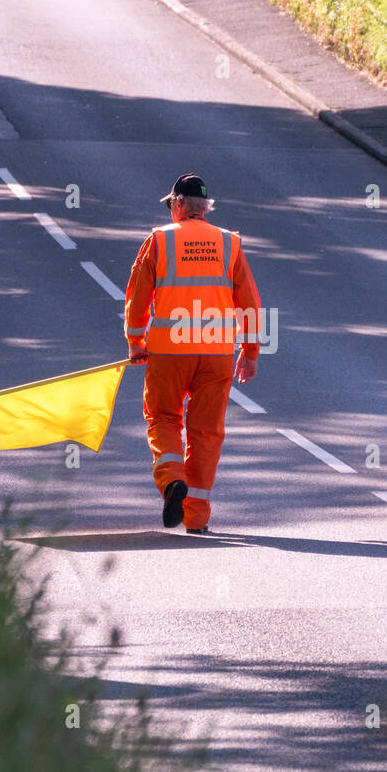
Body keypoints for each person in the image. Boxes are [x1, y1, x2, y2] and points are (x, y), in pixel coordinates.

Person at [124, 173, 262, 534]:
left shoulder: (160, 240)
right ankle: (196, 517)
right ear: (204, 209)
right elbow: (248, 301)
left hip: (170, 351)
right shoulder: (229, 243)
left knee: (163, 419)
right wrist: (250, 351)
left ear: (180, 205)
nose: (171, 210)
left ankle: (172, 482)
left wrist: (135, 342)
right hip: (216, 353)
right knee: (206, 432)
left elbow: (138, 297)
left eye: (171, 204)